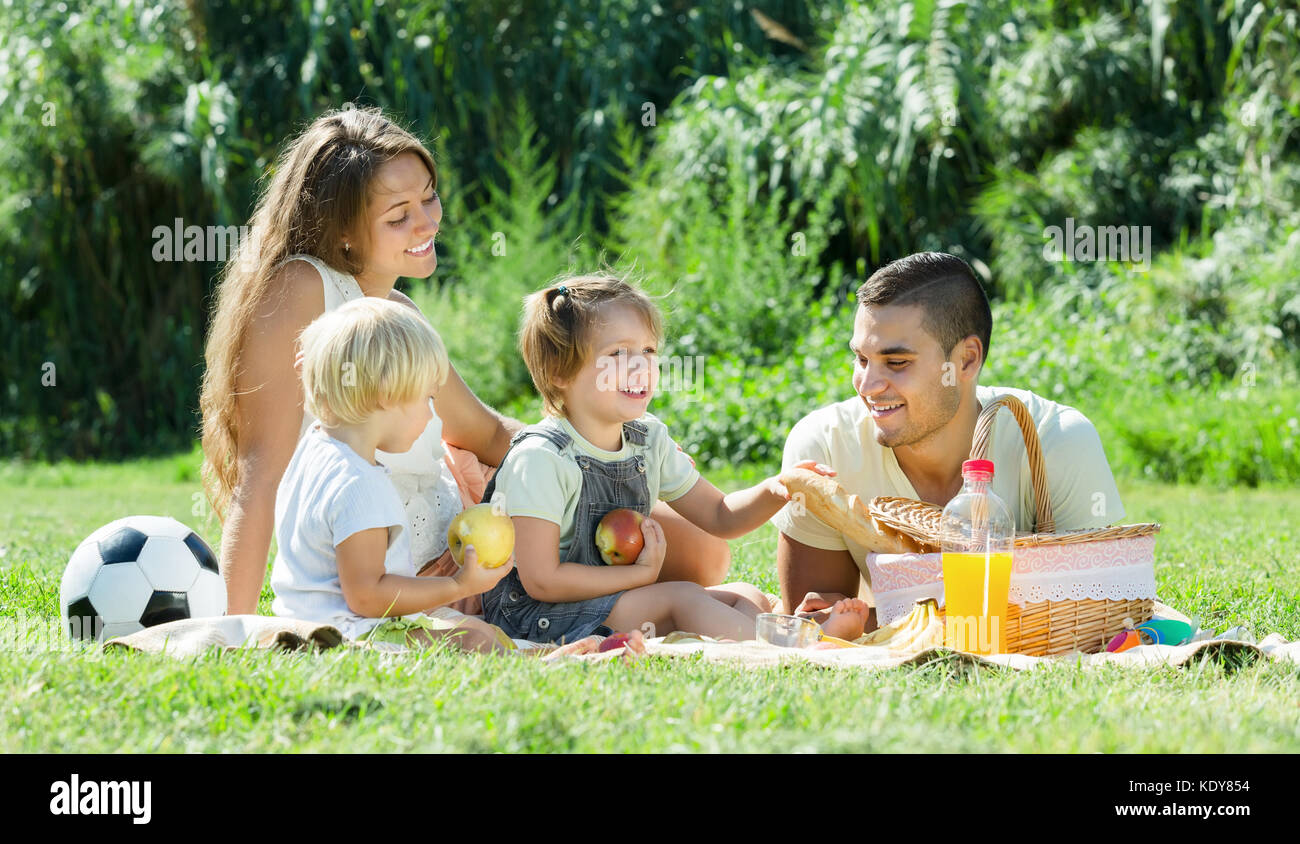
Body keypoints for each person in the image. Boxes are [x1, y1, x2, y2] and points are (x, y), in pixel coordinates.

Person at [199, 106, 730, 618]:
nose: (427, 221)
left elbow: (483, 431)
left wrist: (601, 448)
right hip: (410, 566)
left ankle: (642, 599)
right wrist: (230, 628)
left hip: (466, 528)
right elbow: (260, 471)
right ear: (341, 229)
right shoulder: (302, 286)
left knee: (701, 547)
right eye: (398, 216)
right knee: (688, 561)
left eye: (429, 199)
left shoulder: (400, 311)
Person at [478, 273, 848, 644]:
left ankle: (753, 640)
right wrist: (639, 576)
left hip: (610, 598)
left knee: (745, 594)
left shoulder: (646, 439)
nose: (640, 366)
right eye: (618, 354)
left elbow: (719, 514)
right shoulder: (542, 458)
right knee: (683, 599)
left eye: (649, 351)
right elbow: (542, 580)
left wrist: (776, 488)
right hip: (539, 614)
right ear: (559, 371)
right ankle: (799, 645)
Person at [772, 252, 1125, 638]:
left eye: (896, 363)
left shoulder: (1057, 439)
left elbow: (1098, 615)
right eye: (861, 359)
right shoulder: (823, 448)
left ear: (966, 360)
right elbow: (815, 623)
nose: (867, 385)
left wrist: (886, 621)